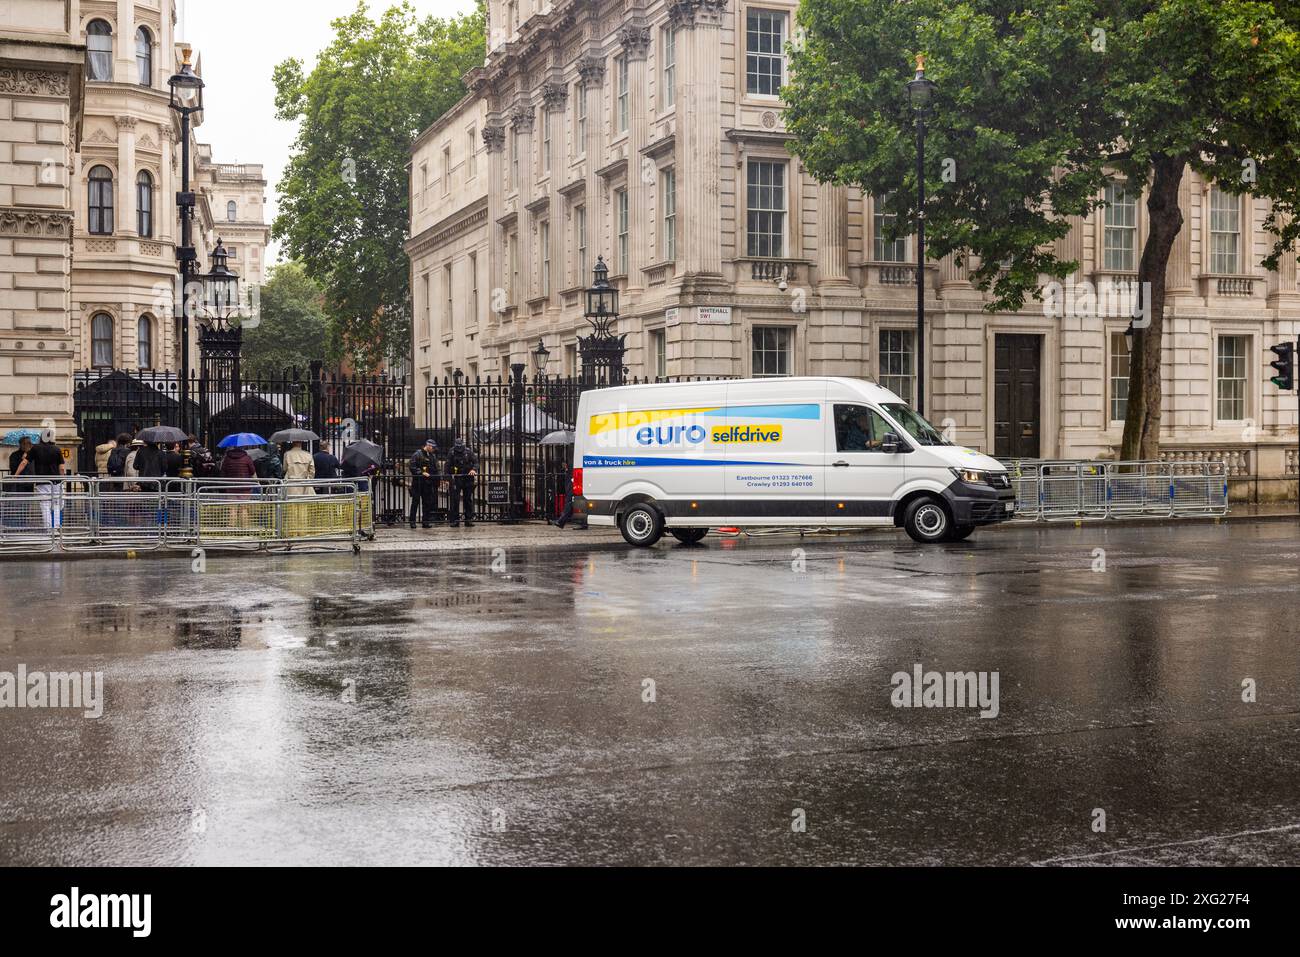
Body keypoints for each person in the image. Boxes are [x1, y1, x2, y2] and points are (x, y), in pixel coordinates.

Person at [29, 429, 65, 528]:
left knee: (45, 505)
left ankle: (48, 528)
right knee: (56, 504)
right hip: (56, 482)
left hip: (42, 481)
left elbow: (25, 461)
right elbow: (61, 468)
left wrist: (15, 475)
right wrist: (63, 480)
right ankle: (56, 528)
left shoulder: (35, 448)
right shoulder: (57, 449)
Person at [446, 437, 478, 528]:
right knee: (455, 500)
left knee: (468, 500)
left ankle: (468, 520)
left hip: (468, 478)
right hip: (456, 479)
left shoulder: (468, 452)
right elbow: (447, 465)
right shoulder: (451, 452)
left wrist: (474, 469)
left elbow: (476, 462)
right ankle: (455, 520)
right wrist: (447, 479)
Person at [407, 439, 438, 528]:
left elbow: (434, 468)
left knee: (427, 503)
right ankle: (412, 521)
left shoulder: (432, 456)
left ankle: (426, 521)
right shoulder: (417, 454)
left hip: (427, 483)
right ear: (427, 446)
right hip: (418, 482)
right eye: (432, 447)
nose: (433, 449)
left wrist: (437, 478)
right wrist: (421, 472)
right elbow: (412, 466)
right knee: (415, 502)